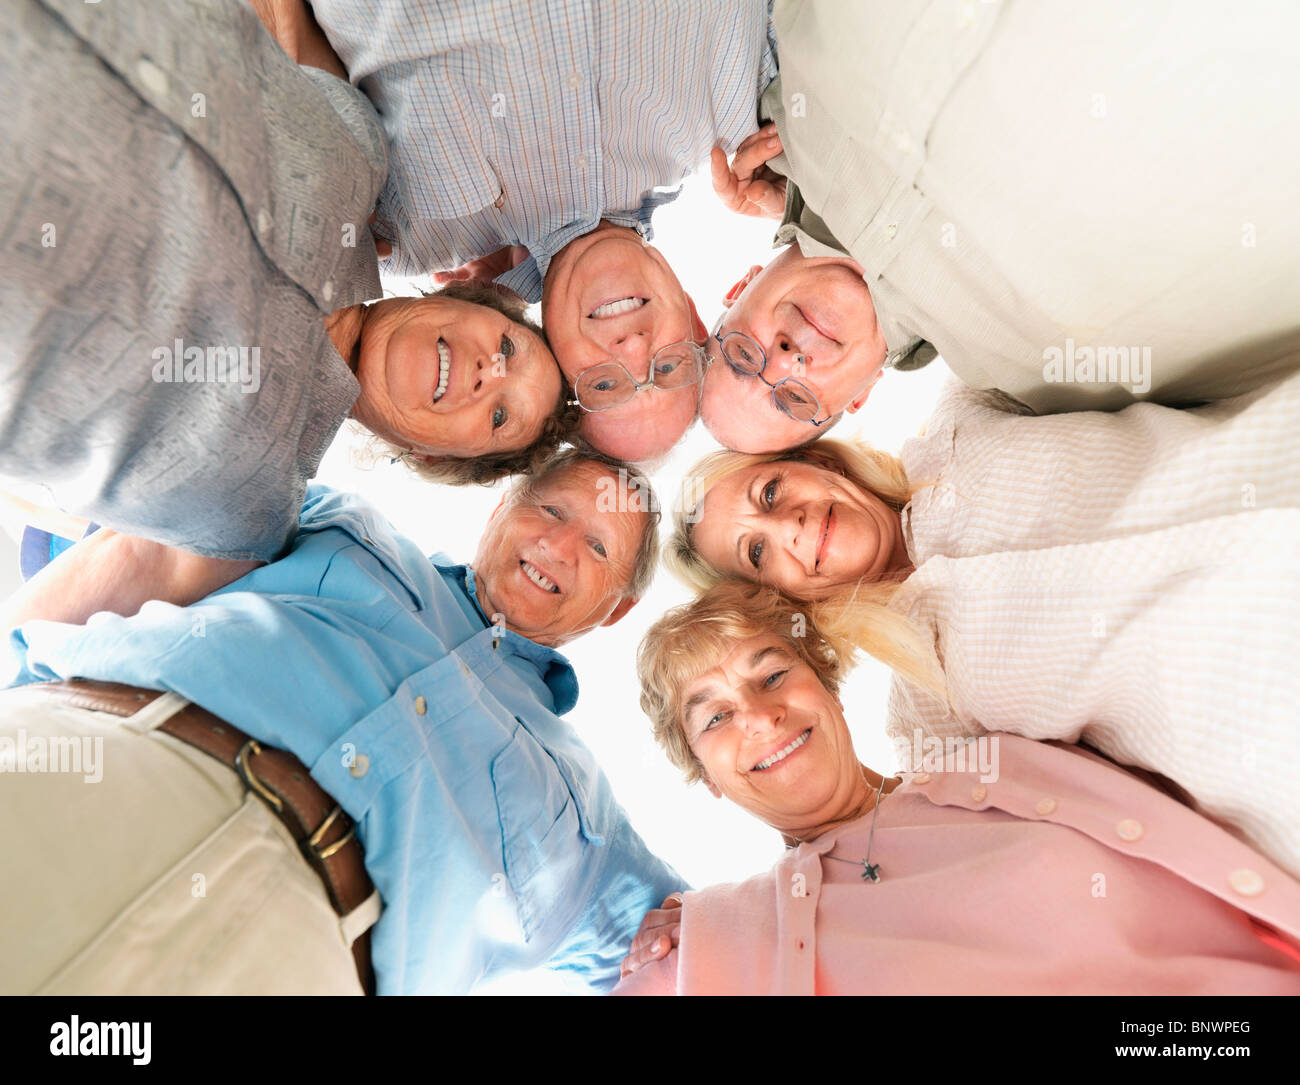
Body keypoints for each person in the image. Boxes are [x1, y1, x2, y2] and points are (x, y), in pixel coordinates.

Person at [0, 450, 684, 994]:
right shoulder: (343, 526)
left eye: (597, 547)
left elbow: (707, 952)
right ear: (501, 508)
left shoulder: (588, 819)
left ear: (615, 609)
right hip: (108, 752)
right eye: (551, 508)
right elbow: (142, 558)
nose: (560, 545)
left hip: (297, 959)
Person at [0, 0, 572, 581]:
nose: (488, 373)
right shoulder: (358, 157)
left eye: (501, 416)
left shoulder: (250, 506)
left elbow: (100, 596)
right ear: (457, 296)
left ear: (433, 456)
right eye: (507, 348)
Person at [666, 370, 1300, 881]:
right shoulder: (926, 720)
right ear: (777, 599)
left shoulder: (966, 408)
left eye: (771, 493)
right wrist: (712, 928)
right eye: (757, 552)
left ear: (815, 462)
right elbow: (933, 867)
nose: (790, 526)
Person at [615, 582, 1300, 994]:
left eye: (772, 675)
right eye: (715, 715)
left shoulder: (997, 768)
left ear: (828, 686)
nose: (762, 716)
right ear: (704, 775)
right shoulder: (708, 946)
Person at [701, 0, 1300, 453]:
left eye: (742, 356)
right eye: (795, 399)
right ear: (859, 398)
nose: (781, 363)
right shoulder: (1044, 381)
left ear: (738, 289)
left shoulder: (764, 109)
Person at [307, 0, 781, 462]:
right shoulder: (746, 119)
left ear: (551, 355)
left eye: (603, 383)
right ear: (695, 322)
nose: (633, 349)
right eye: (667, 367)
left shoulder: (398, 230)